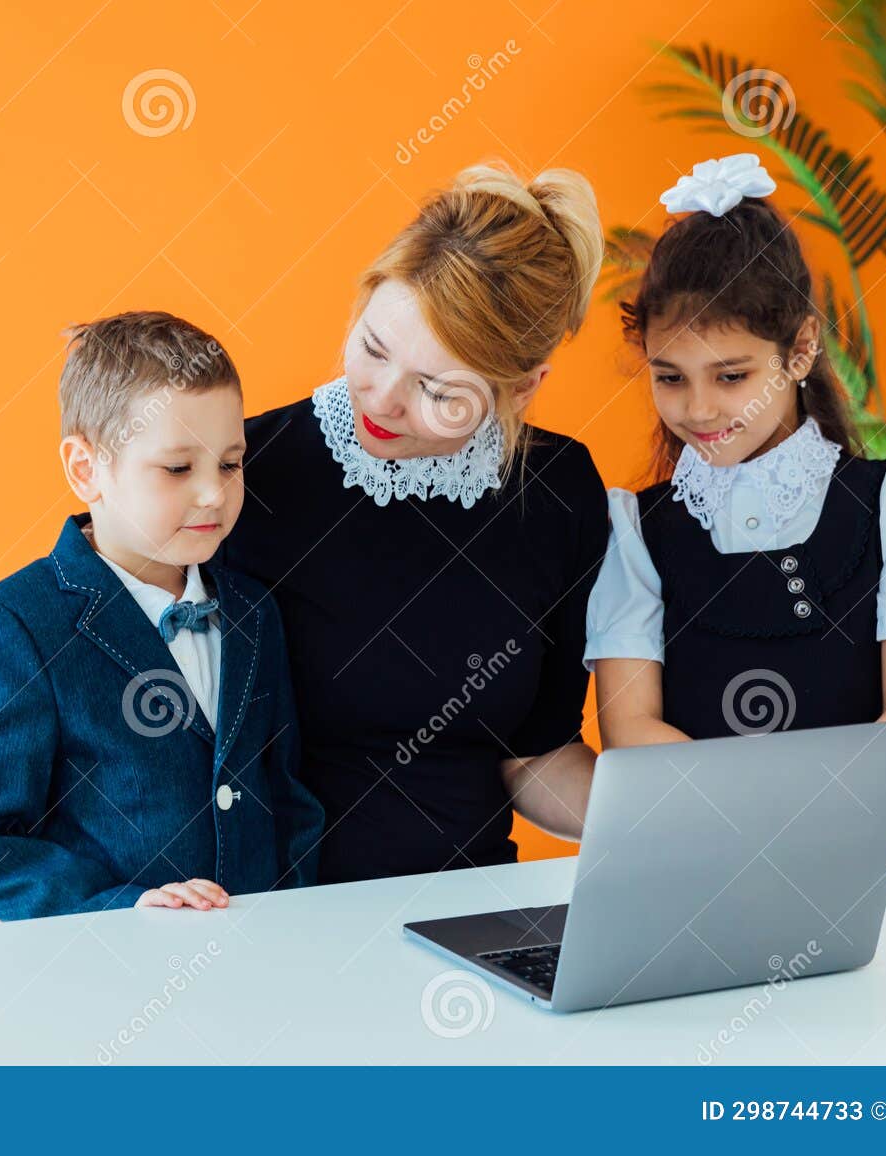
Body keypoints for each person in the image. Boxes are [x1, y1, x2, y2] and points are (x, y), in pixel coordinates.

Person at [584, 154, 886, 883]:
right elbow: (630, 731)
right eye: (670, 378)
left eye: (732, 377)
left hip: (847, 859)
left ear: (800, 350)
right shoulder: (636, 529)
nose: (698, 409)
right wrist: (771, 826)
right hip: (691, 863)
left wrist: (824, 825)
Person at [221, 161, 610, 882]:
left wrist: (704, 836)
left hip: (466, 908)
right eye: (373, 348)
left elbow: (536, 756)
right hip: (268, 916)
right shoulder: (242, 473)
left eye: (436, 388)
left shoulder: (559, 493)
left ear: (522, 389)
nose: (384, 400)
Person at [0, 311, 323, 918]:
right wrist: (122, 907)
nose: (214, 493)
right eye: (177, 468)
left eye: (230, 462)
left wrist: (298, 919)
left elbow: (288, 796)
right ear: (87, 469)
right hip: (102, 975)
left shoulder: (254, 610)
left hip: (258, 962)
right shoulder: (18, 622)